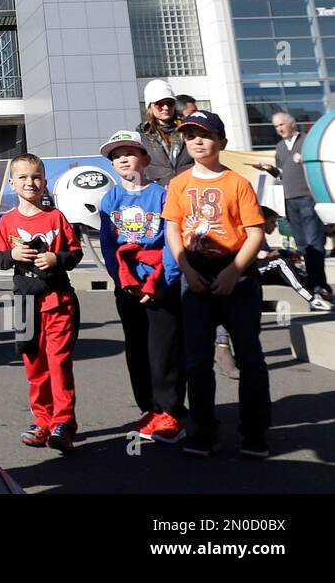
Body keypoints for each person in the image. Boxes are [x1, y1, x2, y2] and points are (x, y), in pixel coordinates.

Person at [163, 110, 269, 458]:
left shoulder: (237, 183)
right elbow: (174, 229)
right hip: (194, 278)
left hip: (236, 277)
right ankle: (204, 432)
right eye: (190, 134)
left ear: (221, 142)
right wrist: (186, 271)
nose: (196, 140)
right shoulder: (179, 184)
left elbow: (255, 233)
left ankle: (254, 433)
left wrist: (233, 271)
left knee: (250, 358)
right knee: (196, 361)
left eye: (205, 134)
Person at [96, 130, 186, 444]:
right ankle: (149, 408)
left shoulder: (161, 194)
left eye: (129, 152)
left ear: (145, 159)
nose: (122, 158)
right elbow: (108, 245)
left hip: (160, 283)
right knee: (136, 349)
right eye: (115, 155)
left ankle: (171, 412)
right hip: (128, 286)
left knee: (164, 350)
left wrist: (162, 282)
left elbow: (174, 242)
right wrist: (123, 281)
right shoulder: (110, 199)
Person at [0, 153, 83, 454]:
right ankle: (42, 420)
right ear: (12, 183)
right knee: (34, 366)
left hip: (59, 303)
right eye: (23, 177)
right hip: (26, 306)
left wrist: (56, 258)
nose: (30, 182)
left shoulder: (55, 218)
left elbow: (75, 253)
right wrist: (12, 256)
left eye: (36, 177)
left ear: (45, 181)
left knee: (58, 364)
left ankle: (64, 424)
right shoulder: (7, 221)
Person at [251, 111, 333, 303]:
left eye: (281, 124)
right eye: (276, 126)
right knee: (303, 246)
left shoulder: (307, 141)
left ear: (292, 124)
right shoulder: (279, 146)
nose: (279, 129)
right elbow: (281, 173)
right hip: (290, 200)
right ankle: (313, 285)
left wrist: (304, 160)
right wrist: (268, 169)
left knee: (315, 244)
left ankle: (319, 285)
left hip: (307, 197)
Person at [136, 79, 192, 186]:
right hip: (159, 194)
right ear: (150, 106)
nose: (165, 108)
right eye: (159, 104)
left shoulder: (188, 129)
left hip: (188, 189)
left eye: (170, 103)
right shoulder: (142, 135)